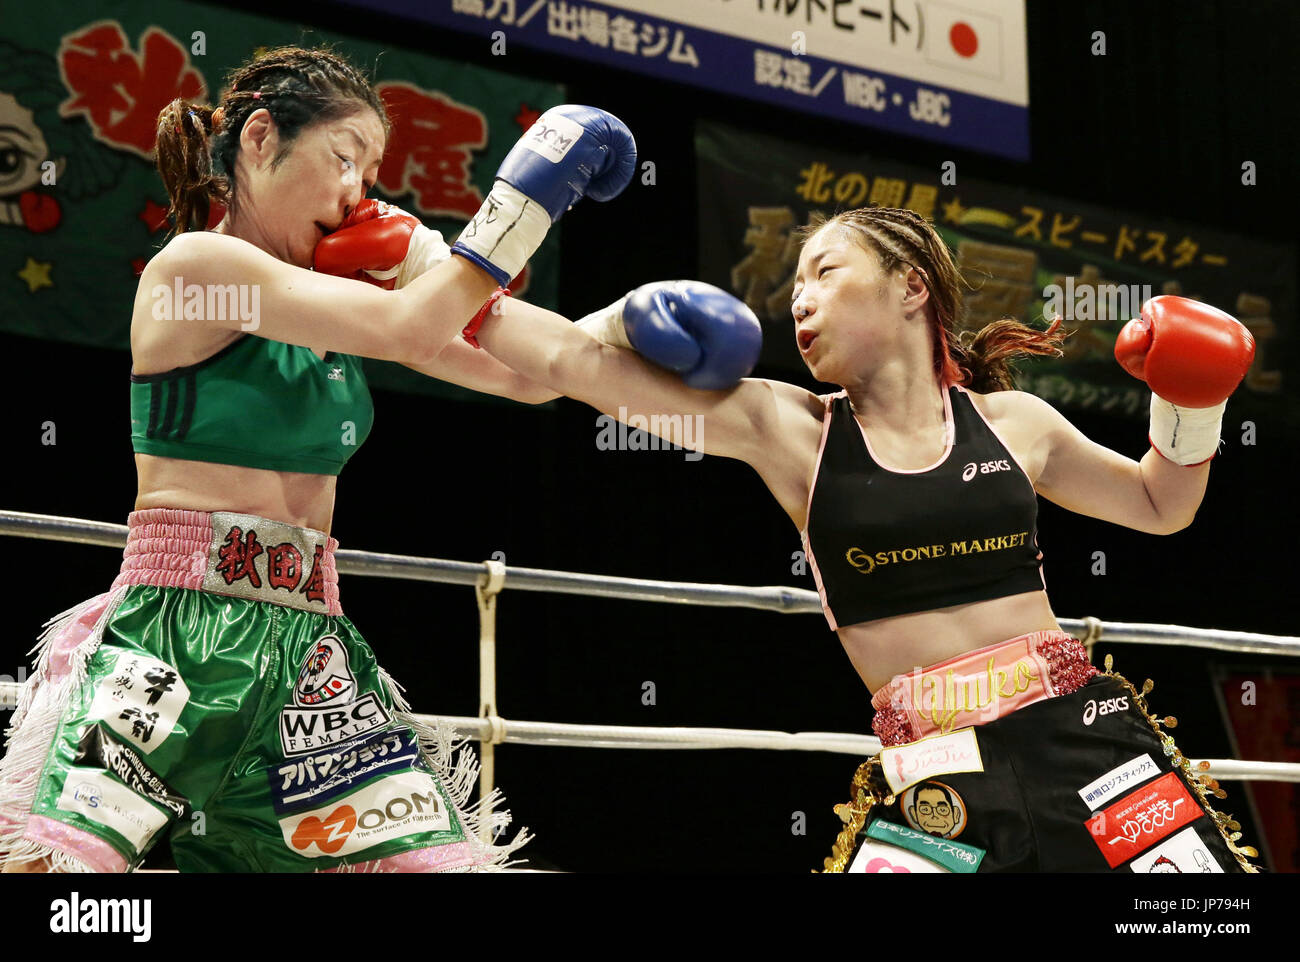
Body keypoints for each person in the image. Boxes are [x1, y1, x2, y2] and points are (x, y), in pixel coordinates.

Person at [444, 205, 1262, 873]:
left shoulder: (1014, 424)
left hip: (1084, 739)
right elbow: (567, 361)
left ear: (910, 287)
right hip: (937, 767)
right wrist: (430, 269)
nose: (798, 298)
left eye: (824, 273)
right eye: (792, 285)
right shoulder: (787, 429)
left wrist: (1194, 401)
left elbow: (1161, 505)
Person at [0, 44, 637, 872]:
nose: (356, 193)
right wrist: (515, 209)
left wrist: (622, 325)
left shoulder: (348, 299)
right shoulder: (197, 268)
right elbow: (410, 329)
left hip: (310, 657)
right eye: (344, 159)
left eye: (370, 172)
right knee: (61, 877)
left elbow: (524, 382)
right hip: (180, 634)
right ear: (261, 139)